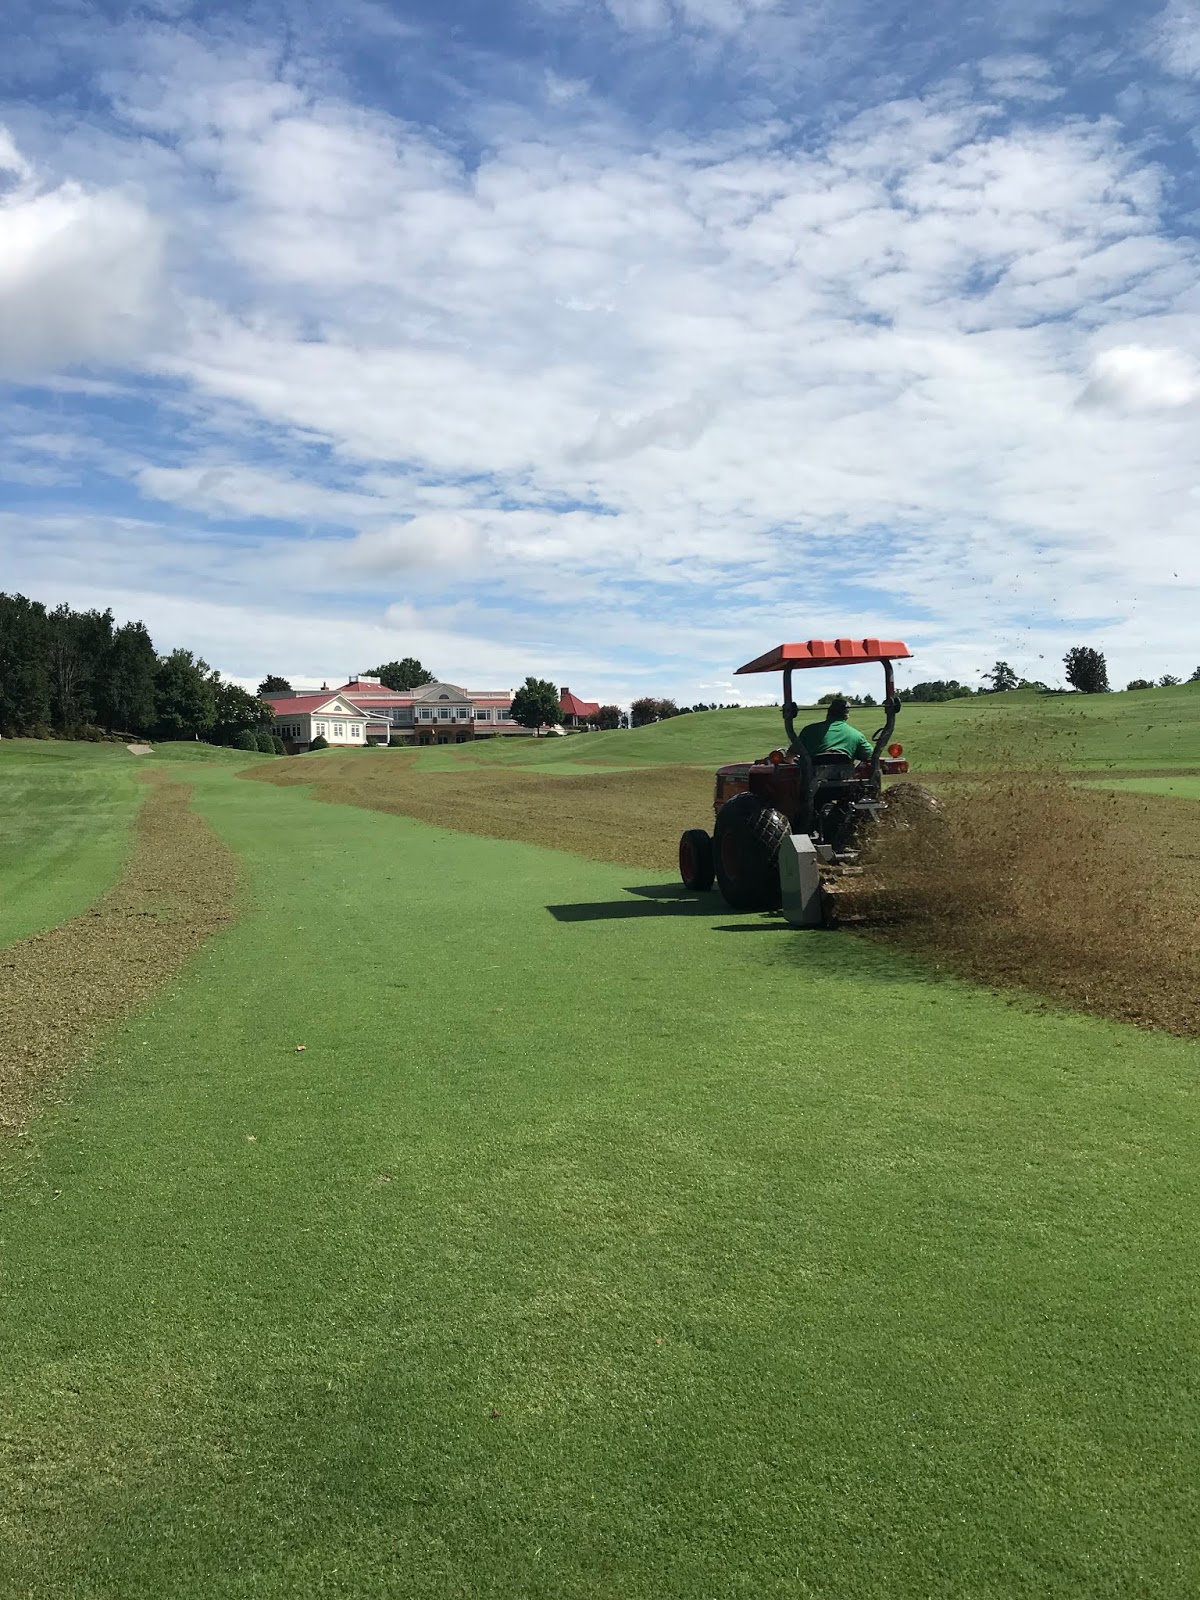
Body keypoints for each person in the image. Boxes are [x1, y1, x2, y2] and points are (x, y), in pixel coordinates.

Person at [797, 696, 874, 762]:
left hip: (812, 776)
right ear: (846, 715)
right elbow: (870, 755)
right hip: (843, 776)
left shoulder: (809, 731)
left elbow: (790, 755)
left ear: (828, 713)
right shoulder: (857, 735)